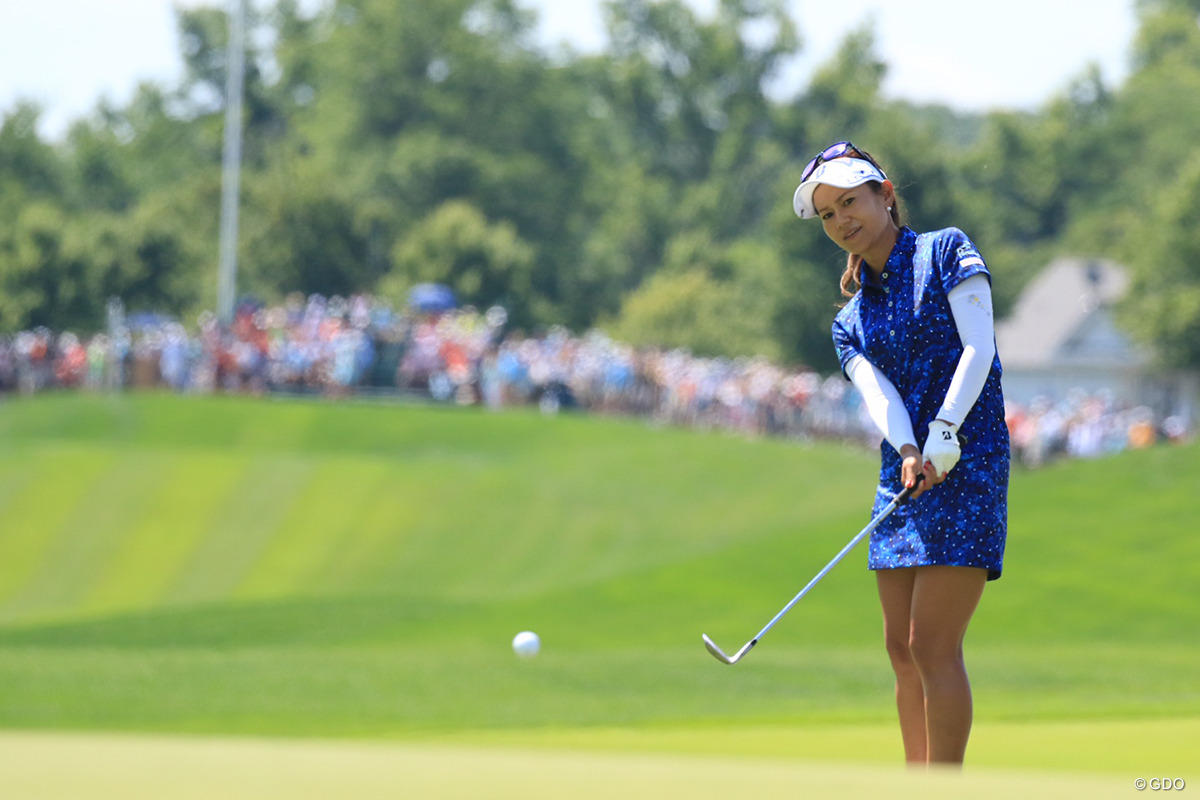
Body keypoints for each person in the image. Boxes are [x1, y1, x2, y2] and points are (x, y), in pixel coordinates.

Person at [792, 142, 1010, 767]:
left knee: (932, 644)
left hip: (967, 463)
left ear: (884, 193)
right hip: (906, 475)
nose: (842, 221)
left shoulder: (946, 251)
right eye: (829, 214)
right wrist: (911, 445)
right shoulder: (849, 320)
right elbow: (878, 396)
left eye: (850, 202)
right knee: (900, 647)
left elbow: (979, 347)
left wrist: (944, 428)